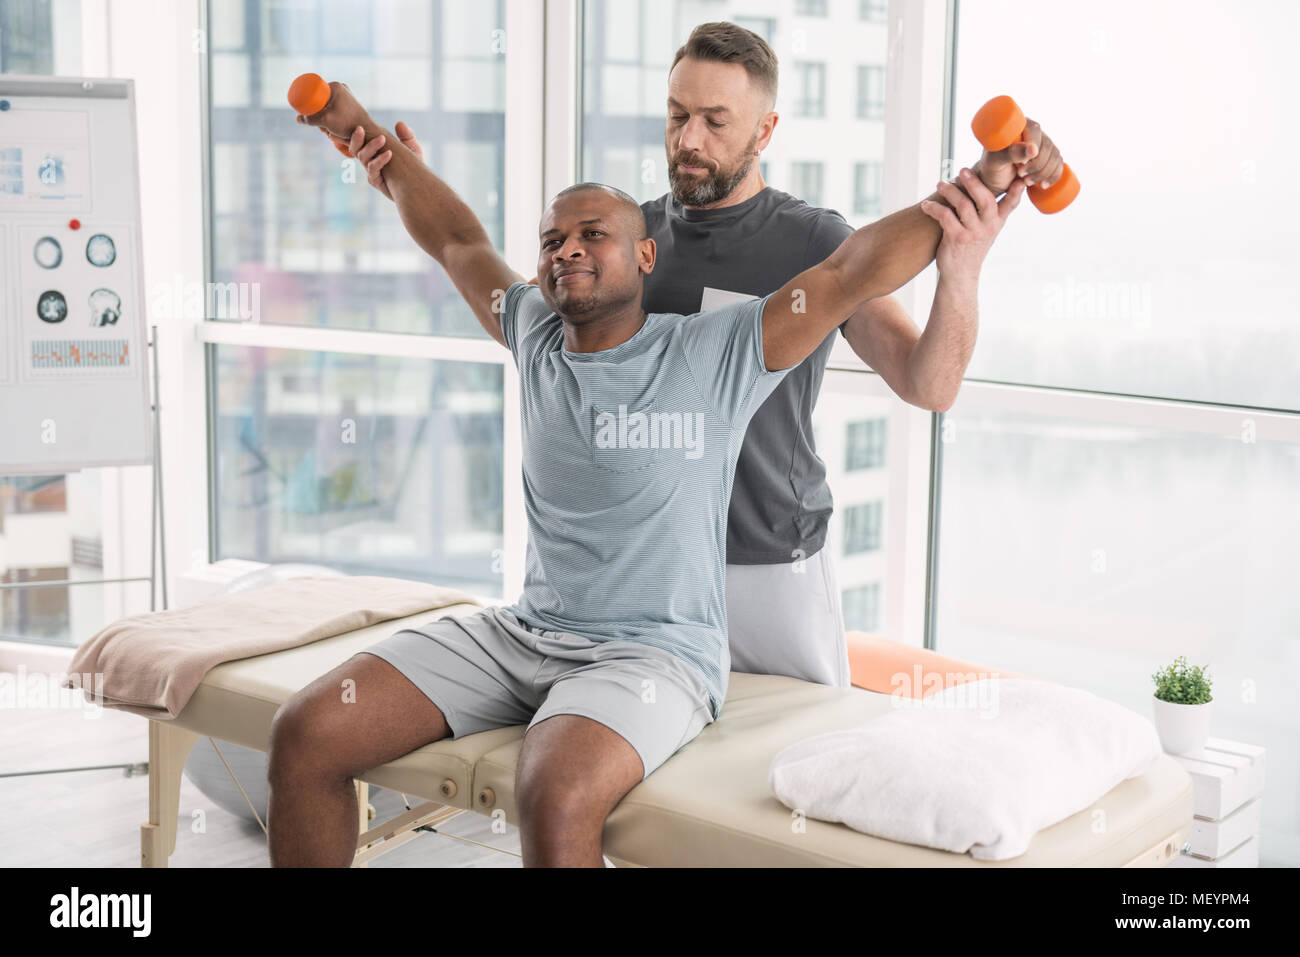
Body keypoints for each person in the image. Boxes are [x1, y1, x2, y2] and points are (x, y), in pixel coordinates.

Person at [266, 75, 1029, 868]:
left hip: (653, 653)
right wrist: (376, 150)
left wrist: (985, 179)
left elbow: (847, 275)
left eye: (591, 234)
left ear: (644, 255)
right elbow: (458, 239)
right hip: (524, 629)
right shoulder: (533, 331)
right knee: (306, 730)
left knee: (553, 793)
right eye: (553, 239)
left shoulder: (714, 352)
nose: (567, 249)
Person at [350, 21, 1064, 689]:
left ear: (765, 130)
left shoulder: (814, 244)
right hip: (637, 575)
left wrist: (961, 269)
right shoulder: (624, 245)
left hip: (765, 565)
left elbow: (928, 384)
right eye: (676, 114)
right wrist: (403, 179)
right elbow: (477, 262)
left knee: (783, 791)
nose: (689, 139)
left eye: (715, 122)